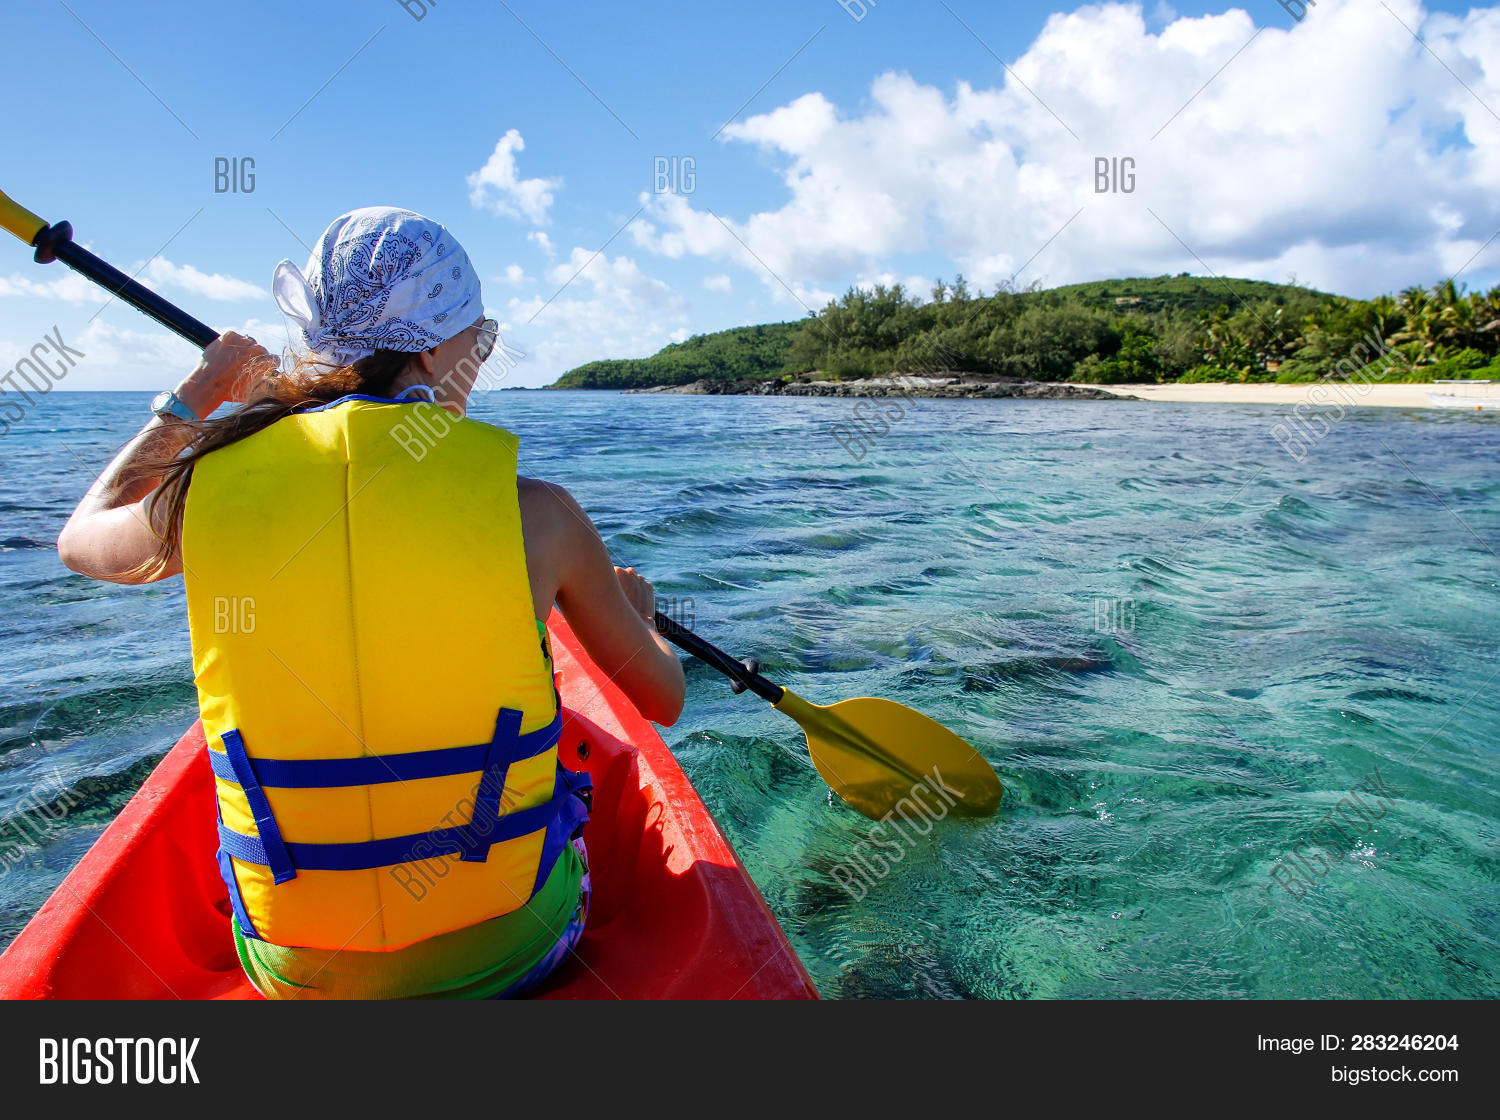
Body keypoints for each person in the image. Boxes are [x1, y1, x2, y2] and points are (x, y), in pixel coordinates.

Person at [56, 206, 686, 998]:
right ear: (430, 348)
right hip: (511, 950)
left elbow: (80, 539)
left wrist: (197, 397)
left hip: (298, 975)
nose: (479, 362)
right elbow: (663, 701)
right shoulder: (540, 515)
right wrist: (636, 613)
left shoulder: (208, 494)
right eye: (478, 341)